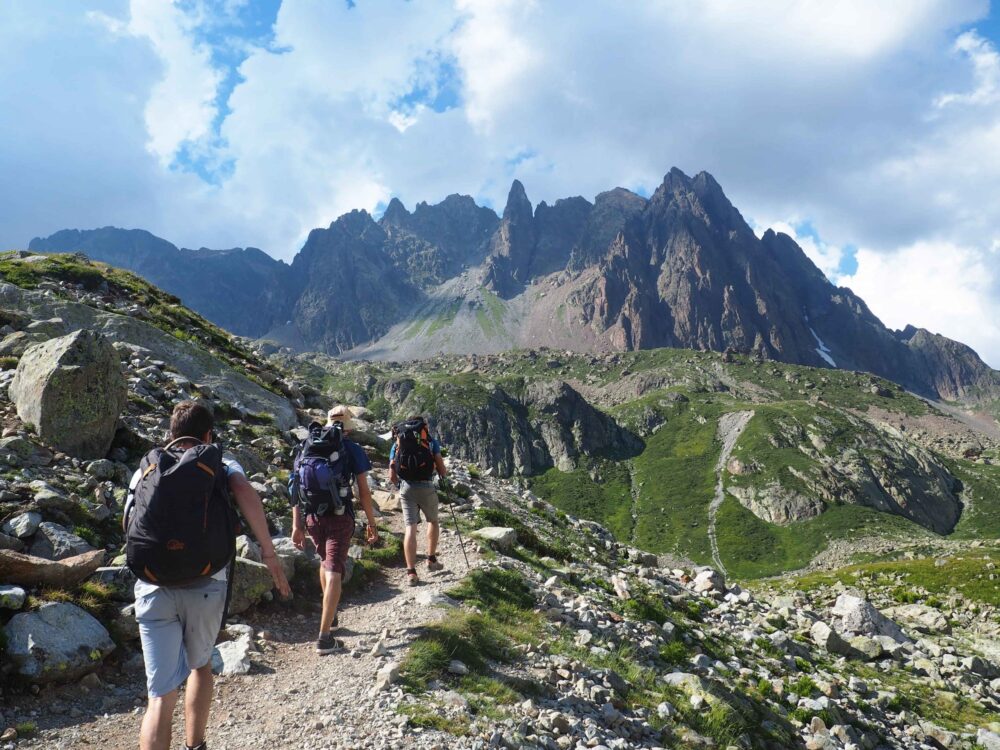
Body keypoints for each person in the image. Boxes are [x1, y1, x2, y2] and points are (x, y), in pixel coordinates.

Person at [128, 401, 291, 750]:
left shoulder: (148, 467)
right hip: (206, 583)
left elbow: (130, 523)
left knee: (159, 695)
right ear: (208, 434)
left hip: (153, 584)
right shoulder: (221, 461)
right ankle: (195, 745)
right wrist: (269, 552)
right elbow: (244, 492)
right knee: (200, 666)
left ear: (171, 434)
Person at [291, 405, 380, 654]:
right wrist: (372, 524)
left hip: (312, 518)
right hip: (340, 517)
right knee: (334, 569)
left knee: (324, 561)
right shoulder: (351, 449)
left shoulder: (306, 445)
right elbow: (363, 492)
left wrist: (296, 525)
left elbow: (295, 488)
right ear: (348, 427)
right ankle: (324, 638)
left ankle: (331, 615)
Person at [389, 415, 447, 586]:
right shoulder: (430, 442)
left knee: (410, 528)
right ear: (423, 427)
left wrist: (401, 483)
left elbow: (391, 475)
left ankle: (411, 572)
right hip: (426, 486)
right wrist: (440, 473)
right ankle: (431, 560)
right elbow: (442, 470)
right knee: (433, 521)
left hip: (406, 488)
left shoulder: (397, 443)